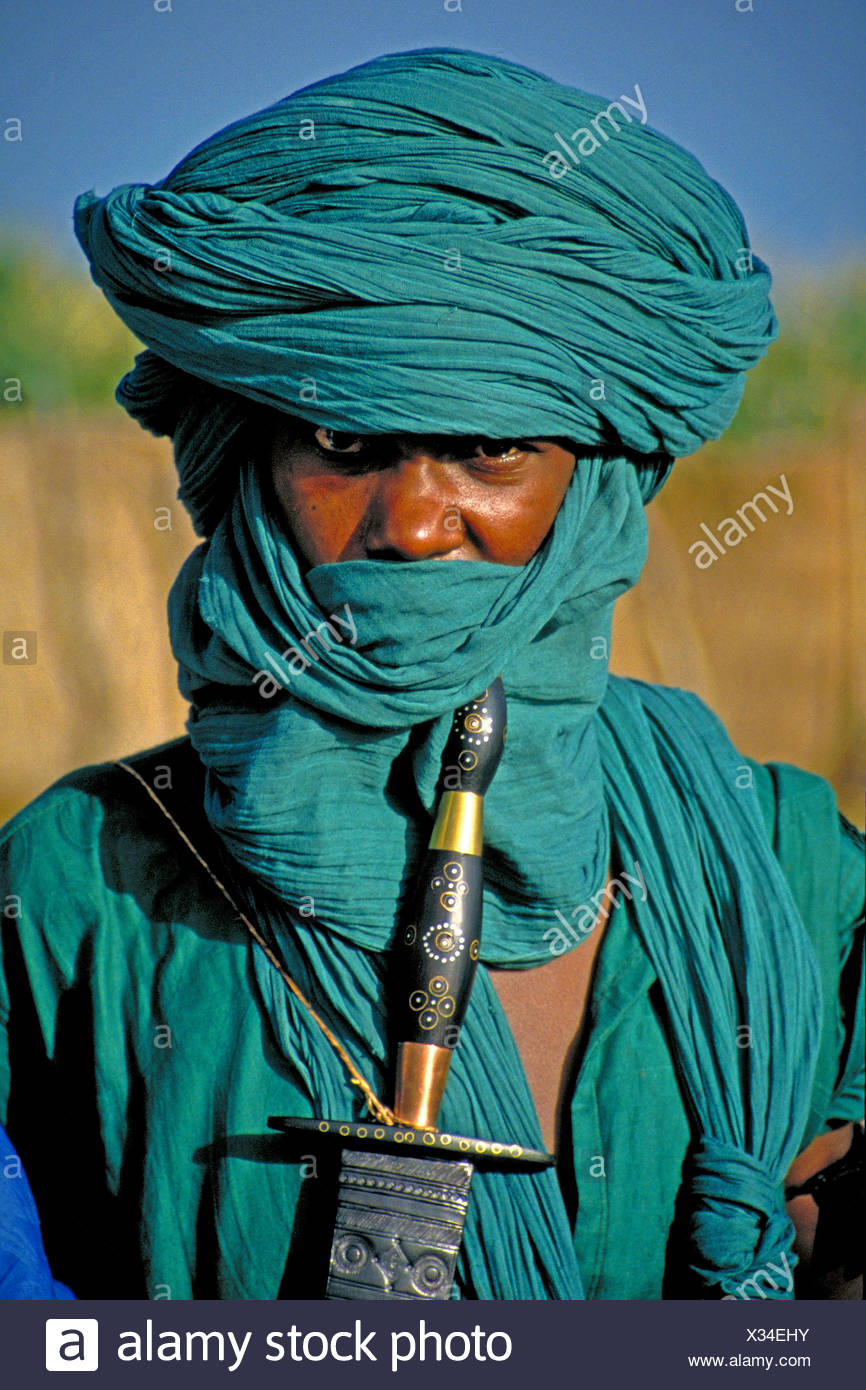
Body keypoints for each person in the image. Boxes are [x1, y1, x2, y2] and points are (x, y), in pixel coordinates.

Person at [0, 48, 862, 1301]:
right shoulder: (76, 887)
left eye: (491, 449)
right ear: (249, 454)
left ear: (596, 480)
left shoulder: (790, 871)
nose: (409, 521)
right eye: (343, 441)